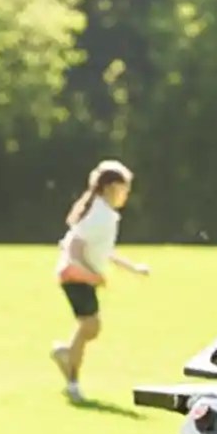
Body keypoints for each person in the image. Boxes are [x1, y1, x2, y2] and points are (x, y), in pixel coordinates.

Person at [51, 159, 151, 402]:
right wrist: (88, 273)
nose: (126, 194)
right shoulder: (100, 215)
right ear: (110, 188)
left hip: (78, 277)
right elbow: (75, 246)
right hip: (74, 277)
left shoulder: (105, 214)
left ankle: (65, 355)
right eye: (124, 188)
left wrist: (132, 268)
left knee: (90, 328)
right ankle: (71, 379)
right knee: (90, 326)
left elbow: (103, 251)